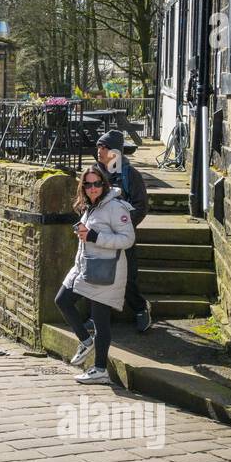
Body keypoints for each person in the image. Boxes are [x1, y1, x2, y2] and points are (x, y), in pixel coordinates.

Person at [56, 165, 137, 385]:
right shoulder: (91, 206)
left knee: (101, 321)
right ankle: (85, 340)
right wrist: (85, 233)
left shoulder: (115, 208)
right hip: (85, 267)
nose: (93, 188)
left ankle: (100, 369)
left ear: (104, 184)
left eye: (97, 184)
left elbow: (127, 239)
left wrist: (94, 236)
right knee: (62, 300)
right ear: (83, 186)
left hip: (106, 270)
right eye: (88, 184)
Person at [95, 129, 152, 332]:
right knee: (99, 276)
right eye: (99, 146)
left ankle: (140, 309)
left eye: (104, 147)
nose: (99, 150)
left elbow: (141, 205)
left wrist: (125, 226)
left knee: (127, 276)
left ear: (116, 152)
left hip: (122, 235)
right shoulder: (95, 172)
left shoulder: (130, 174)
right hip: (100, 235)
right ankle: (98, 317)